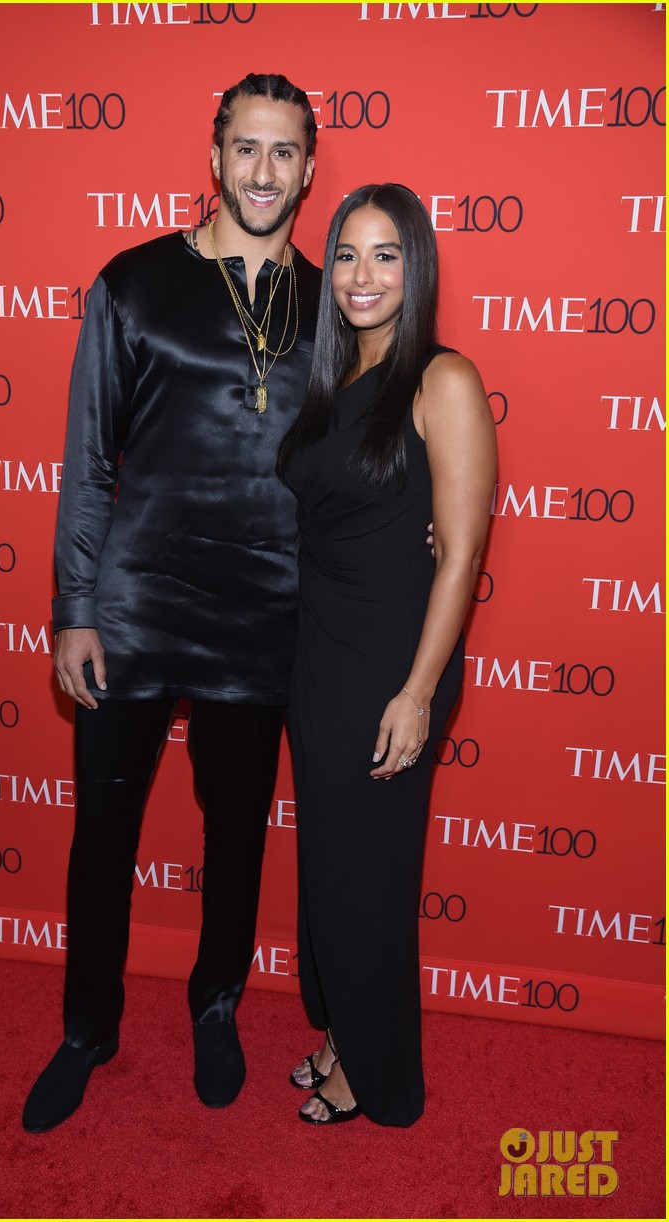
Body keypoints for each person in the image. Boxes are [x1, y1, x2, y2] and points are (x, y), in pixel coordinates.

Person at [21, 72, 321, 1134]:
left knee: (235, 831)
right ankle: (86, 1029)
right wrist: (75, 607)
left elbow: (359, 460)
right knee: (102, 830)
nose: (262, 171)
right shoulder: (134, 282)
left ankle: (215, 1001)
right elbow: (86, 456)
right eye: (246, 148)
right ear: (213, 157)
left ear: (307, 169)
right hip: (135, 605)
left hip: (260, 615)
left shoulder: (331, 305)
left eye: (283, 152)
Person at [278, 183, 497, 1127]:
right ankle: (342, 1032)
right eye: (349, 257)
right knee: (332, 862)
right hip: (317, 651)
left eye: (387, 255)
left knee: (367, 871)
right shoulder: (328, 382)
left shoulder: (442, 379)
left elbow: (461, 555)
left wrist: (416, 694)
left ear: (417, 268)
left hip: (390, 665)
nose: (363, 277)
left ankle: (376, 1071)